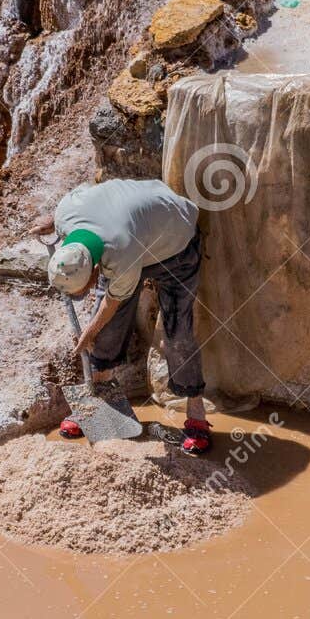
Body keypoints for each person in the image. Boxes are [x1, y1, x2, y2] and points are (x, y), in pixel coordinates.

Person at [44, 178, 211, 454]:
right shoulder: (65, 213)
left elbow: (111, 304)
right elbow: (110, 306)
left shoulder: (120, 252)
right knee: (108, 328)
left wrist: (88, 333)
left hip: (175, 242)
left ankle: (196, 414)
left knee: (177, 332)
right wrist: (50, 223)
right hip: (139, 228)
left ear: (95, 269)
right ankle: (97, 404)